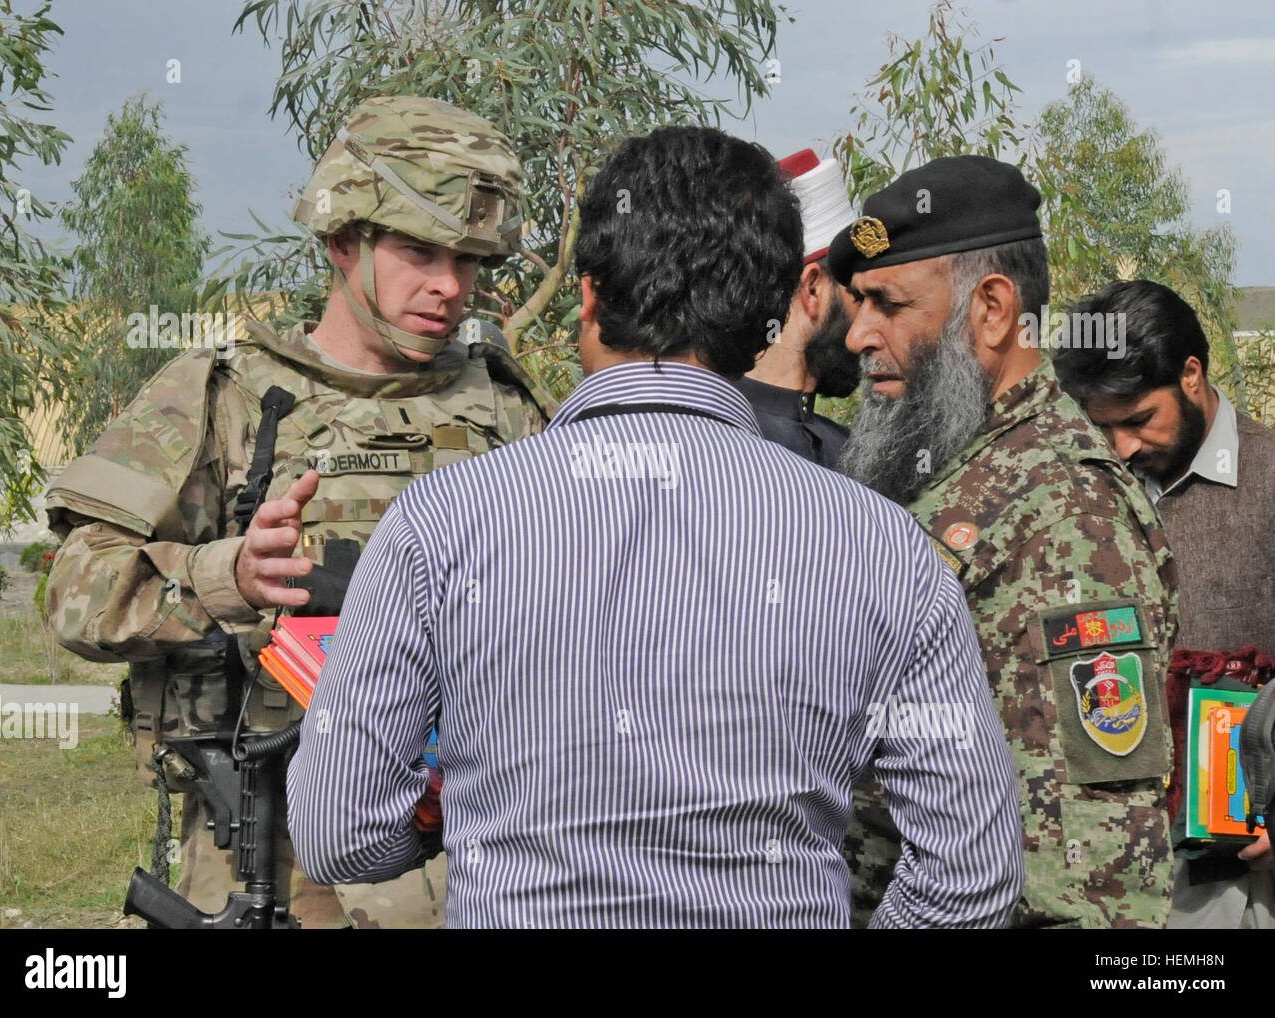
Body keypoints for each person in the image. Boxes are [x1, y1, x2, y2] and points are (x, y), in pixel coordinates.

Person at [286, 124, 1024, 929]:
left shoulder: (441, 524)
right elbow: (973, 871)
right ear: (766, 318)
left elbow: (335, 833)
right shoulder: (882, 547)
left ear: (592, 295)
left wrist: (447, 821)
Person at [44, 95, 553, 928]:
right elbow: (74, 590)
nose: (449, 285)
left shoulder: (506, 409)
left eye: (469, 260)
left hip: (473, 851)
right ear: (342, 240)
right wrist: (223, 575)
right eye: (420, 250)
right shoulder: (222, 397)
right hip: (269, 855)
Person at [832, 155, 1179, 928]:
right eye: (858, 302)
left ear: (991, 309)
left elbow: (1090, 884)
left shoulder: (1069, 516)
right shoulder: (947, 463)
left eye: (888, 304)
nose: (858, 334)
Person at [1053, 279, 1274, 929]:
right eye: (1102, 425)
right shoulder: (1080, 491)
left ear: (1192, 374)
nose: (1120, 446)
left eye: (1139, 419)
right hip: (1101, 869)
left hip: (1236, 875)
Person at [734, 150, 859, 467]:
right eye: (858, 294)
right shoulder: (726, 440)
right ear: (813, 288)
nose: (870, 322)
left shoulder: (850, 452)